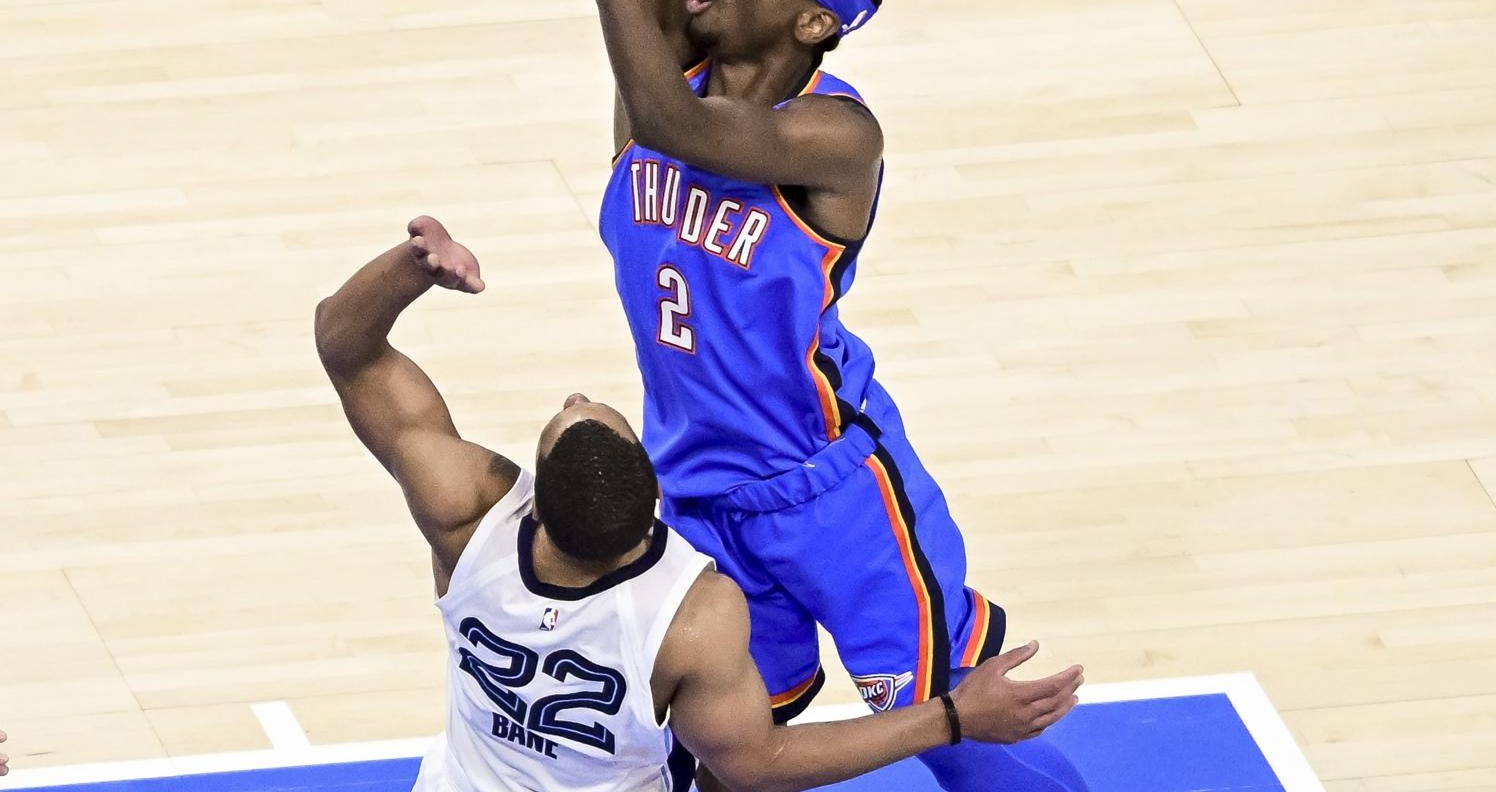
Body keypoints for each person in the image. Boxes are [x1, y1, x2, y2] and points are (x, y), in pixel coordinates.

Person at [547, 0, 1090, 792]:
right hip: (693, 483)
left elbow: (677, 125)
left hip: (828, 485)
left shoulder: (832, 139)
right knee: (709, 745)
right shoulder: (665, 55)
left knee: (965, 716)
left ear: (806, 17)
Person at [316, 215, 1083, 792]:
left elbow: (346, 346)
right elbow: (757, 762)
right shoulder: (692, 614)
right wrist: (953, 718)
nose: (578, 393)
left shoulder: (465, 520)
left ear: (534, 502)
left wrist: (411, 267)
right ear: (652, 503)